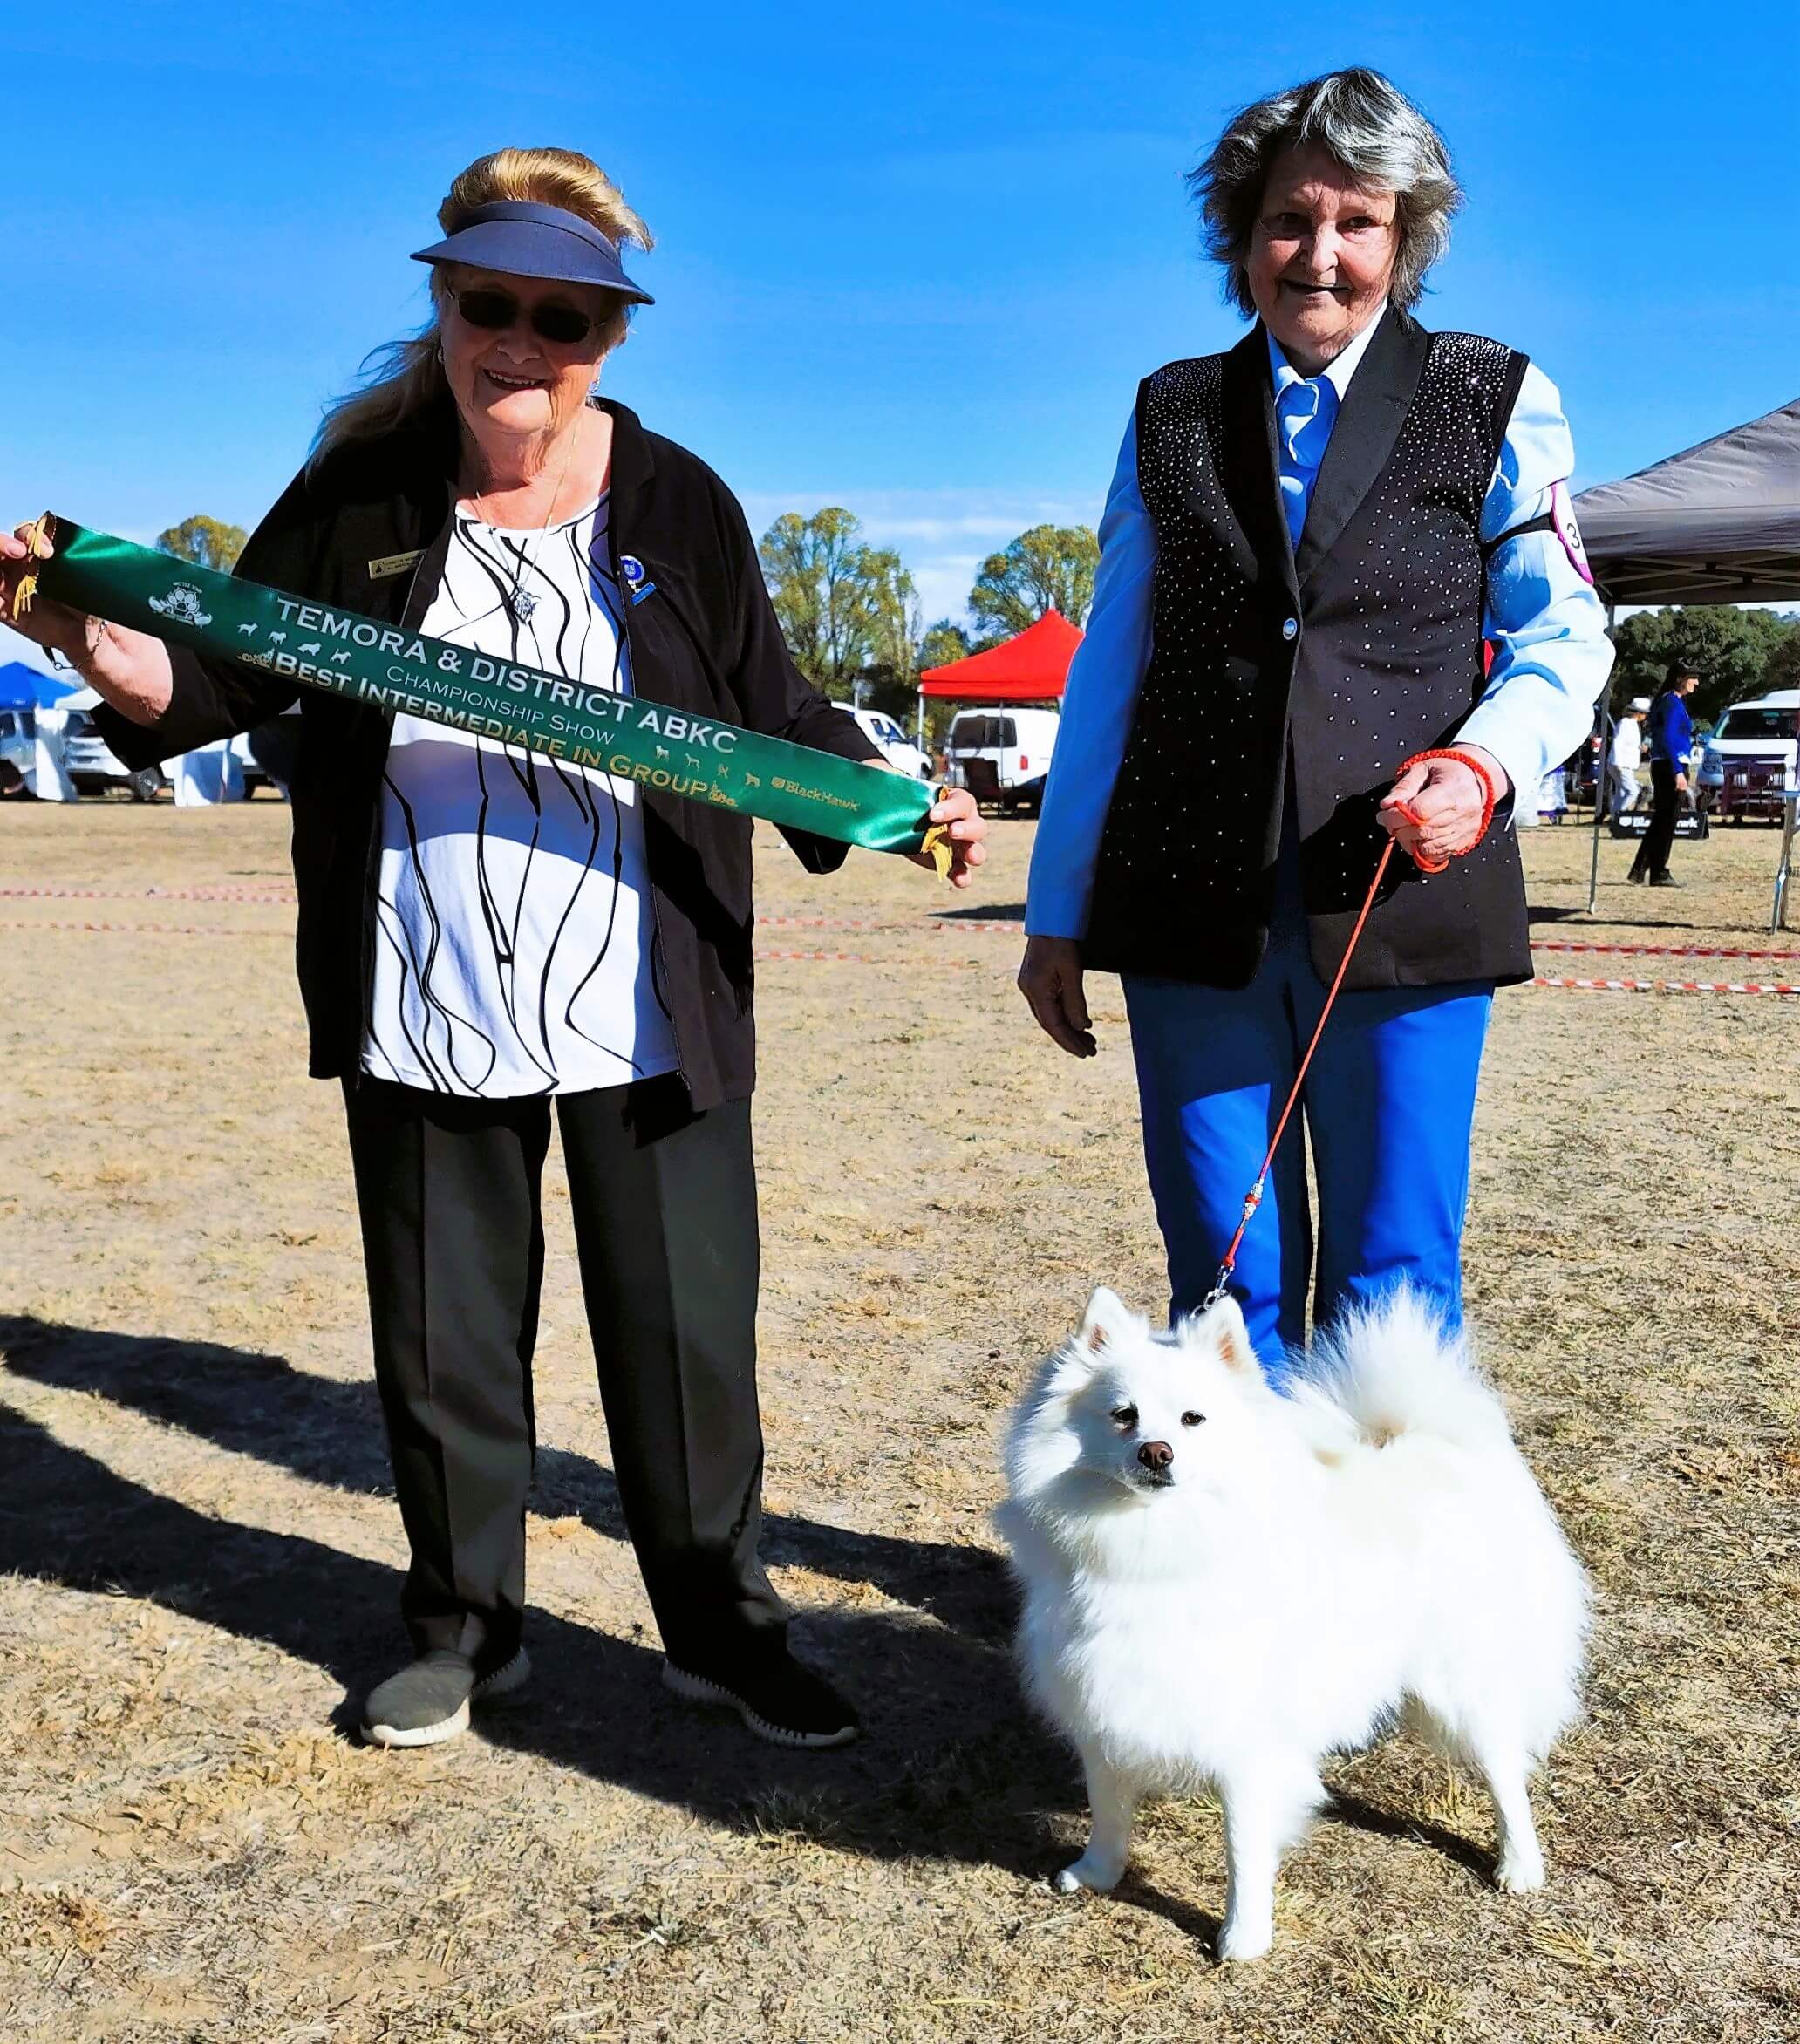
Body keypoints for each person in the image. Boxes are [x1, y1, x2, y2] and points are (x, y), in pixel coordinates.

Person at [2, 147, 986, 1752]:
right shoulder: (354, 497)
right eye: (490, 305)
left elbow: (772, 716)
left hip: (648, 994)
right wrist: (67, 618)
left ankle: (722, 1629)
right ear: (442, 303)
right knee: (446, 1338)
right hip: (423, 980)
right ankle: (463, 1624)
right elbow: (216, 685)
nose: (520, 342)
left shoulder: (681, 501)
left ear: (609, 332)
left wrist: (885, 800)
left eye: (564, 316)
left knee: (682, 1340)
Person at [1017, 69, 1612, 1372]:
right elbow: (1110, 666)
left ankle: (1392, 1570)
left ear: (1406, 239)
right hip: (1189, 913)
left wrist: (1485, 764)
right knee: (1227, 1291)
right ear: (1242, 234)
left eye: (1359, 221)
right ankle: (1244, 1575)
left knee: (1393, 1292)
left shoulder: (1495, 392)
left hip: (1404, 906)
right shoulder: (1168, 411)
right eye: (1292, 218)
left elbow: (1566, 634)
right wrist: (1057, 912)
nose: (1322, 254)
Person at [1630, 669, 1701, 886]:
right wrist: (1677, 770)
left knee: (1662, 818)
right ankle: (1659, 870)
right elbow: (1669, 736)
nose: (1696, 683)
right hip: (1671, 764)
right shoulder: (1671, 703)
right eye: (1693, 678)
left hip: (1667, 764)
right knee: (1667, 820)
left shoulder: (1671, 702)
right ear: (1681, 678)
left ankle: (1640, 868)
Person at [1609, 697, 1650, 822]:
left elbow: (1630, 743)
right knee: (1633, 791)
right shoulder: (1625, 723)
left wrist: (1640, 747)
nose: (1646, 716)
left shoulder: (1633, 725)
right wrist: (1618, 763)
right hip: (1621, 765)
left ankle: (1614, 816)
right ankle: (1618, 816)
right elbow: (1618, 742)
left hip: (1626, 765)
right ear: (1638, 713)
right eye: (1645, 713)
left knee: (1622, 792)